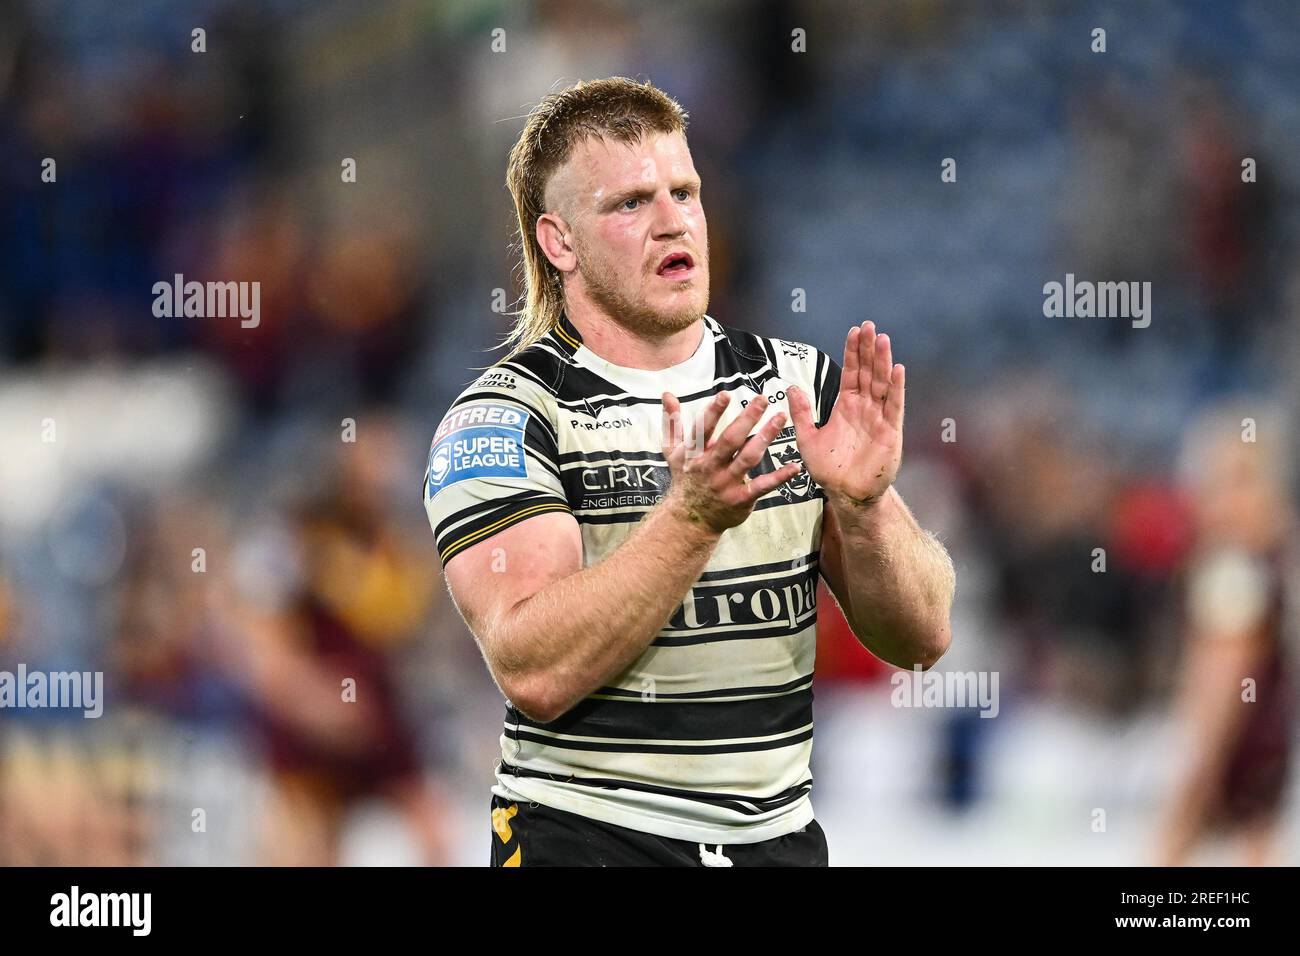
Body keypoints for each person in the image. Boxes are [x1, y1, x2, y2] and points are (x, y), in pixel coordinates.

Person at [422, 76, 955, 866]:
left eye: (685, 192)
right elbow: (533, 670)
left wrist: (864, 506)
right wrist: (691, 518)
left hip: (776, 842)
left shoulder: (796, 385)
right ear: (560, 242)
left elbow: (921, 640)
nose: (672, 221)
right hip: (588, 839)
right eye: (630, 203)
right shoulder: (505, 419)